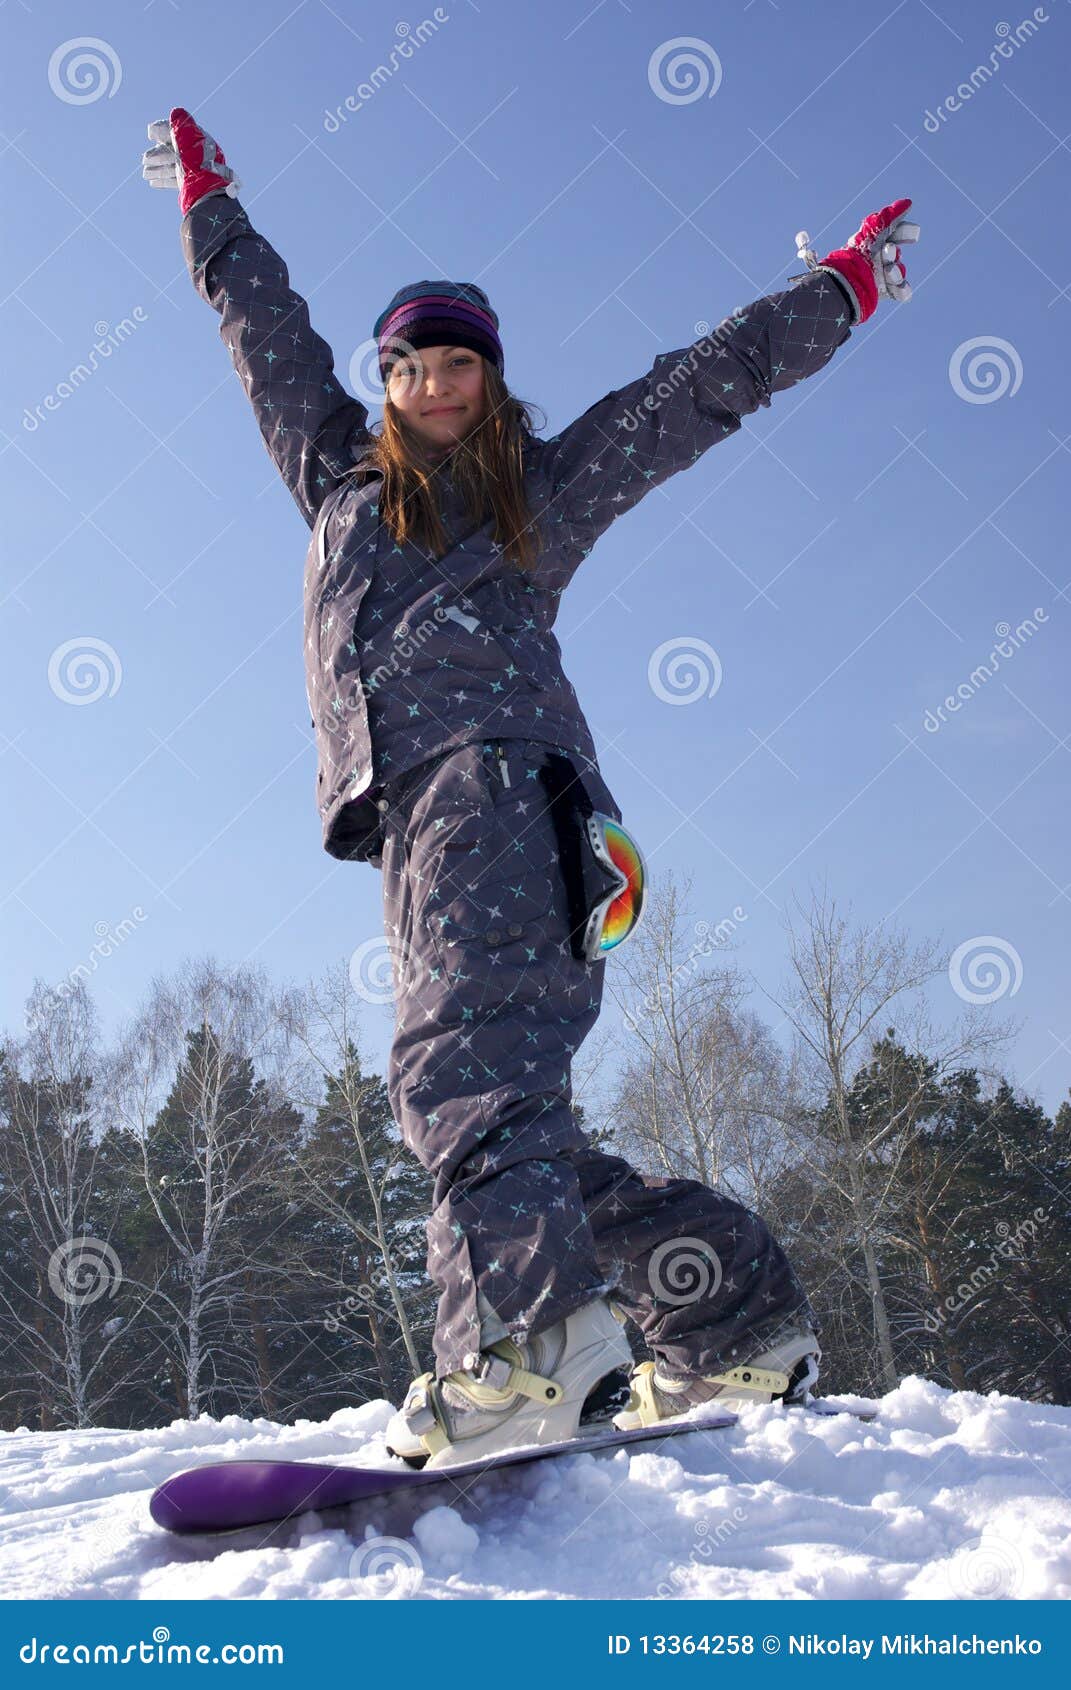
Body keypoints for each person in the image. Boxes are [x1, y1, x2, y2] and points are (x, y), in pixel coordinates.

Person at [143, 108, 918, 1470]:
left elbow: (693, 392)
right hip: (430, 817)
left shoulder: (534, 494)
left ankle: (528, 1352)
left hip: (500, 789)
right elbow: (269, 335)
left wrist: (840, 289)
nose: (435, 385)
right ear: (385, 383)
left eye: (460, 365)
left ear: (493, 383)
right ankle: (733, 1316)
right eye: (411, 365)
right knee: (505, 1119)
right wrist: (211, 206)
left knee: (461, 1077)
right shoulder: (338, 473)